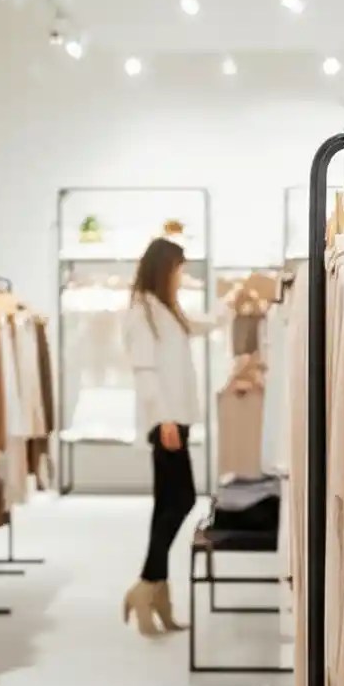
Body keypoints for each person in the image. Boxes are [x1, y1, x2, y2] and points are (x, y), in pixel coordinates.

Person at [121, 237, 226, 636]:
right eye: (179, 268)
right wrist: (163, 418)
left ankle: (157, 592)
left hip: (175, 417)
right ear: (165, 268)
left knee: (167, 501)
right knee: (180, 498)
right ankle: (146, 585)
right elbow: (144, 370)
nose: (182, 276)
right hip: (163, 420)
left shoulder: (165, 308)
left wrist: (233, 305)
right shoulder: (141, 313)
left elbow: (201, 325)